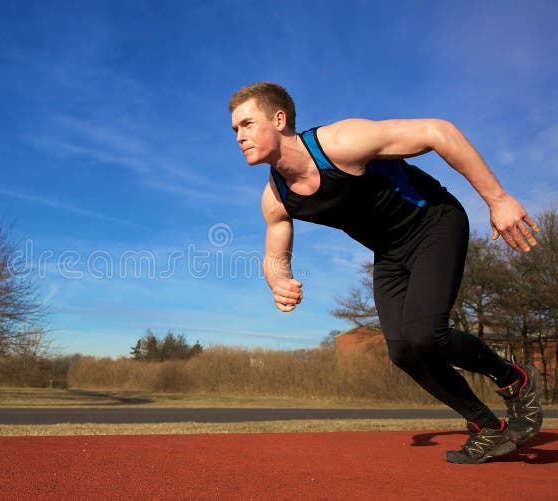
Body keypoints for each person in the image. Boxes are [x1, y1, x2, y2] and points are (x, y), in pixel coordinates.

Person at [229, 81, 543, 464]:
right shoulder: (276, 197)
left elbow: (438, 131)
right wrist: (278, 281)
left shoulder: (340, 143)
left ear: (279, 120)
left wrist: (497, 198)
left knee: (425, 334)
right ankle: (486, 426)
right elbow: (274, 255)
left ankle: (514, 380)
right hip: (390, 254)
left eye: (247, 124)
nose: (239, 136)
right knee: (403, 351)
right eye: (235, 129)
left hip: (433, 223)